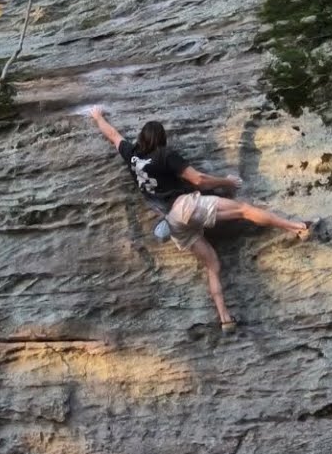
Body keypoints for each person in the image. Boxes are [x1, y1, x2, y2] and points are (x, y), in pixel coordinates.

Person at [89, 106, 317, 331]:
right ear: (162, 139)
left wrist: (97, 116)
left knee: (212, 265)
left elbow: (112, 135)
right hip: (186, 206)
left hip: (174, 223)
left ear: (141, 138)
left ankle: (225, 318)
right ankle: (298, 227)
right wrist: (227, 182)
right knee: (245, 210)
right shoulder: (165, 155)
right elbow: (198, 180)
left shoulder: (131, 155)